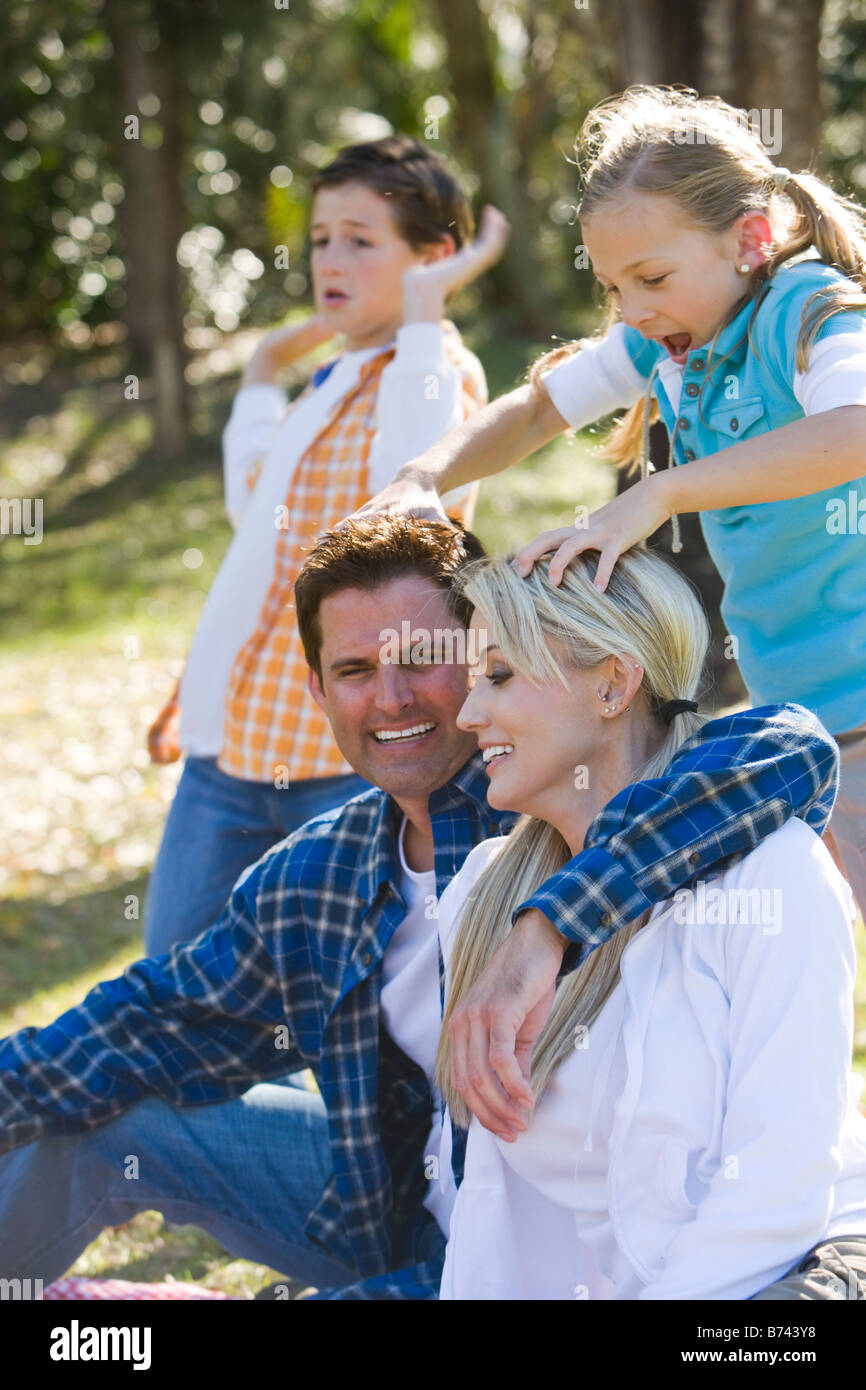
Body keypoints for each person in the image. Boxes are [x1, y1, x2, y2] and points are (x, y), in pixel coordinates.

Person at [0, 517, 839, 1299]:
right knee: (98, 1109)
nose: (394, 699)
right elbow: (139, 1024)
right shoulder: (327, 875)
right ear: (320, 692)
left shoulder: (554, 790)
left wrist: (550, 924)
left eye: (427, 658)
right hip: (419, 1213)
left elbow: (787, 748)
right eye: (356, 671)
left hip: (664, 1249)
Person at [352, 86, 866, 920]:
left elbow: (856, 429)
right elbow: (542, 406)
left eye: (652, 277)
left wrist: (662, 491)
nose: (632, 310)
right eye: (614, 287)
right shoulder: (672, 334)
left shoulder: (806, 312)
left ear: (751, 238)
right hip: (802, 718)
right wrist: (422, 478)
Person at [432, 545, 866, 1300]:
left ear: (613, 683)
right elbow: (502, 1209)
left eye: (498, 675)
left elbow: (780, 1185)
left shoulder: (773, 873)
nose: (468, 715)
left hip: (812, 1272)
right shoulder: (482, 899)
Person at [142, 134, 509, 954]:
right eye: (319, 239)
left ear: (434, 258)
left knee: (352, 1047)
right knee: (169, 1016)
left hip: (351, 765)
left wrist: (424, 313)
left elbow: (407, 514)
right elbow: (257, 512)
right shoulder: (331, 379)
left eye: (359, 239)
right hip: (234, 752)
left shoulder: (439, 368)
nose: (328, 260)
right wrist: (261, 374)